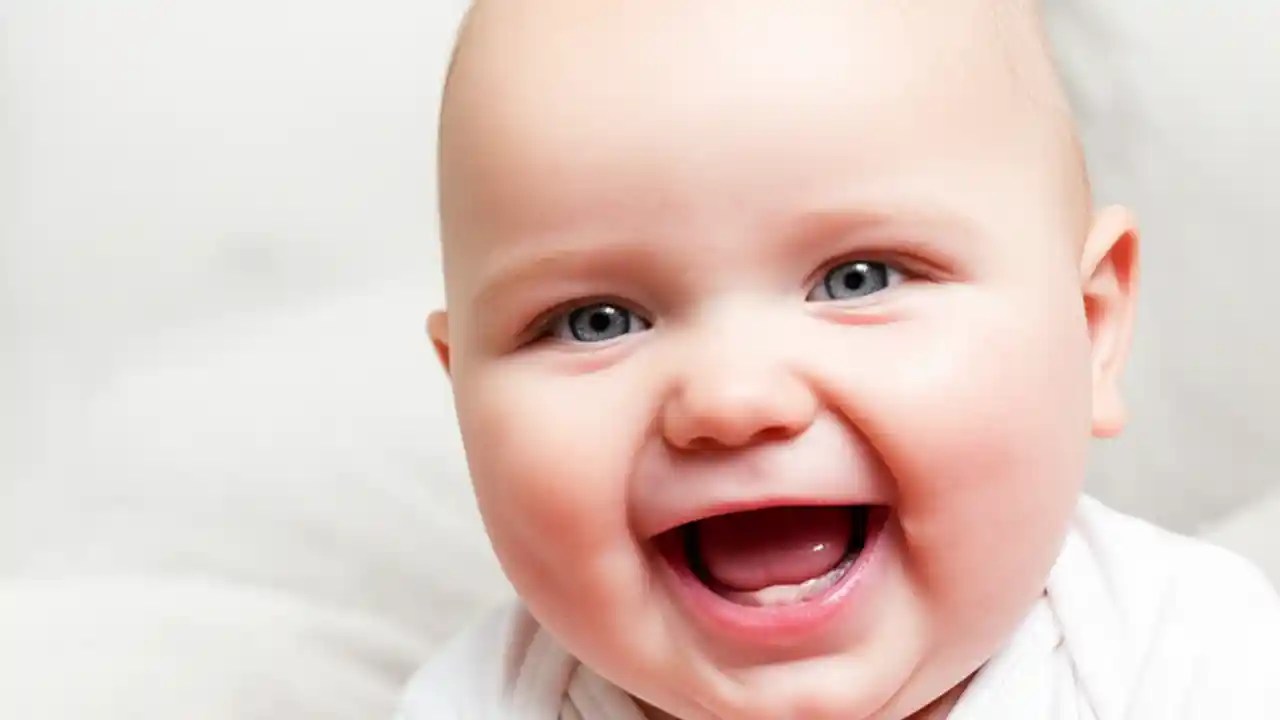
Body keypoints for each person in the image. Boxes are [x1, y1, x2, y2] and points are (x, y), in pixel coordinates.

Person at [400, 1, 1280, 717]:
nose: (730, 398)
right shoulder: (480, 701)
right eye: (594, 322)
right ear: (463, 398)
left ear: (1088, 327)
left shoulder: (1196, 658)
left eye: (857, 279)